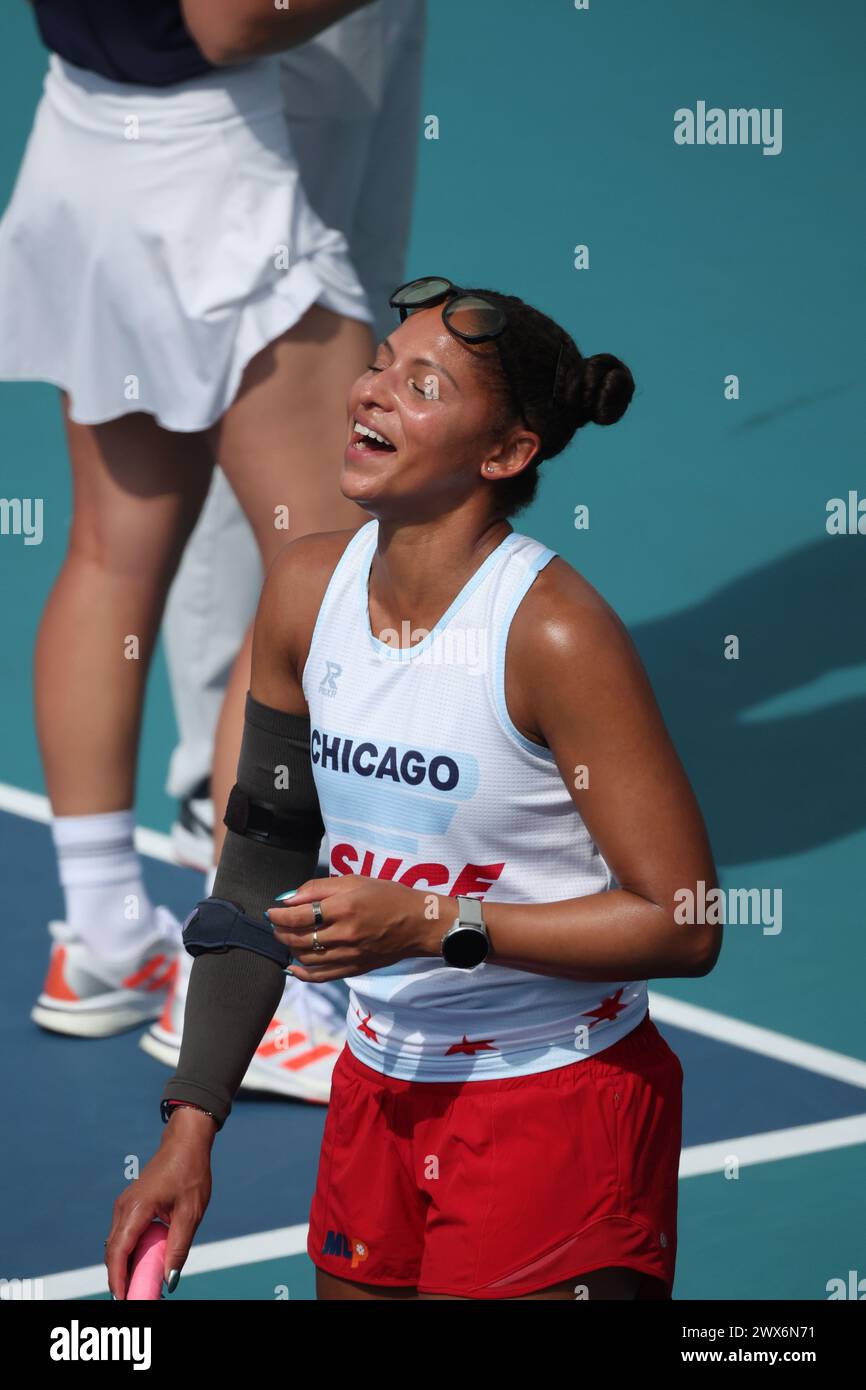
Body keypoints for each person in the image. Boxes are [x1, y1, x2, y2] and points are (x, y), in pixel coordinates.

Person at [105, 276, 722, 1301]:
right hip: (378, 1096)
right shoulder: (305, 591)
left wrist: (436, 925)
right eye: (380, 365)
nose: (370, 393)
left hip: (556, 1108)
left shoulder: (552, 634)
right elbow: (259, 864)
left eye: (421, 383)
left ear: (505, 453)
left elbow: (684, 922)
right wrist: (191, 1119)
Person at [0, 0, 381, 1036]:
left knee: (110, 553)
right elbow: (235, 19)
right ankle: (254, 997)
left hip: (81, 142)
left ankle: (106, 940)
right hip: (207, 182)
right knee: (323, 573)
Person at [147, 0, 427, 1103]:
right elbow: (227, 26)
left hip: (354, 26)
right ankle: (238, 931)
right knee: (308, 463)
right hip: (278, 36)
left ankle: (220, 849)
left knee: (325, 366)